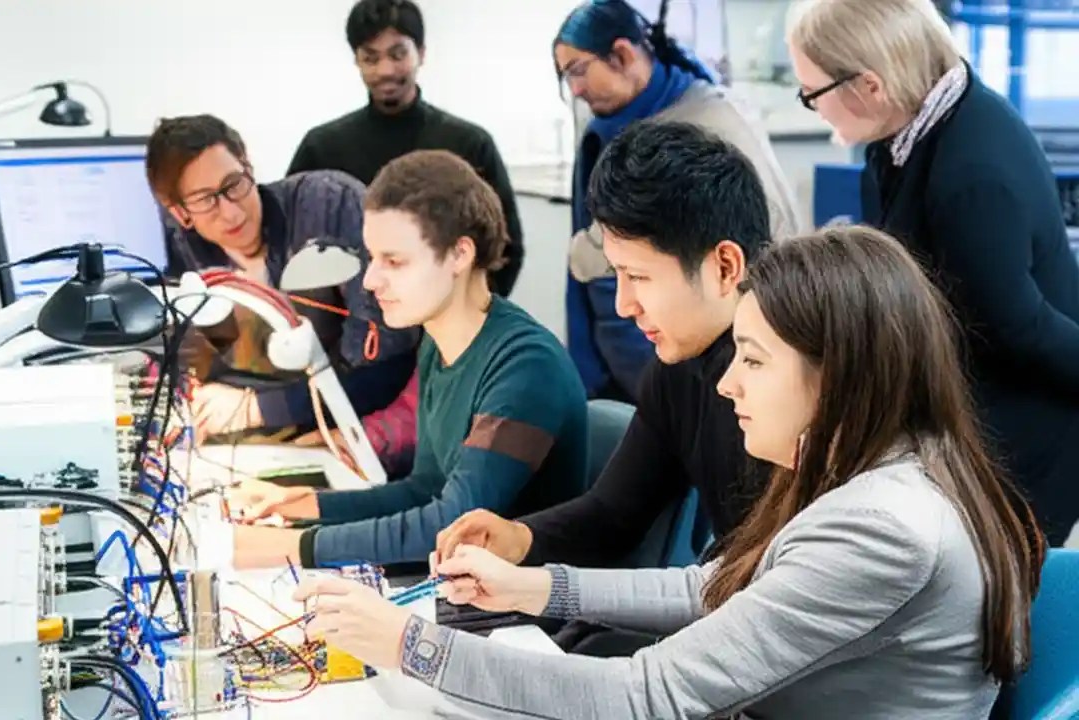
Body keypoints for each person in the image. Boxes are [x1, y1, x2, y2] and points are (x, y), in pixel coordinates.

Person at [294, 225, 1046, 720]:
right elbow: (715, 587)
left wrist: (413, 647)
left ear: (839, 376)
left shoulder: (881, 527)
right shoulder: (879, 465)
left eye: (753, 360)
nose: (727, 384)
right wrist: (534, 587)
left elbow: (651, 694)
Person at [440, 119, 775, 658]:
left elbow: (750, 592)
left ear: (725, 266)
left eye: (638, 277)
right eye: (616, 275)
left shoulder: (798, 391)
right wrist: (518, 539)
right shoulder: (678, 365)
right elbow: (617, 512)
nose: (623, 304)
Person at [788, 0, 1079, 545]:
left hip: (1023, 433)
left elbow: (1022, 330)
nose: (813, 108)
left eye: (811, 94)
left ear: (870, 86)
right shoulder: (907, 131)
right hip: (968, 417)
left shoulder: (970, 175)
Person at [228, 150, 588, 569]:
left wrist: (285, 549)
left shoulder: (525, 367)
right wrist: (306, 506)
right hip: (463, 588)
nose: (369, 279)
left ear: (459, 254)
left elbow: (451, 522)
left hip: (521, 619)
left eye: (394, 261)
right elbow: (425, 489)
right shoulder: (438, 343)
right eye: (372, 258)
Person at [145, 114, 419, 473]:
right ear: (180, 213)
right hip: (256, 441)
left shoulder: (329, 207)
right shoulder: (180, 251)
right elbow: (200, 357)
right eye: (206, 200)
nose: (230, 211)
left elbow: (385, 365)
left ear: (248, 165)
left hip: (356, 428)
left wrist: (255, 408)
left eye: (234, 184)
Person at [558, 0, 801, 403]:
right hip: (641, 358)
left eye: (578, 70)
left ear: (622, 54)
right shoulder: (609, 126)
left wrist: (590, 249)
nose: (575, 89)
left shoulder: (707, 124)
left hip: (704, 355)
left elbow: (769, 237)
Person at [287, 0, 525, 297]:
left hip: (450, 333)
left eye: (398, 54)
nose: (386, 70)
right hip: (352, 334)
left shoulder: (469, 144)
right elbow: (290, 245)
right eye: (371, 58)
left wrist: (471, 322)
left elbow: (505, 248)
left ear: (421, 53)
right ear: (356, 60)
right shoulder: (321, 148)